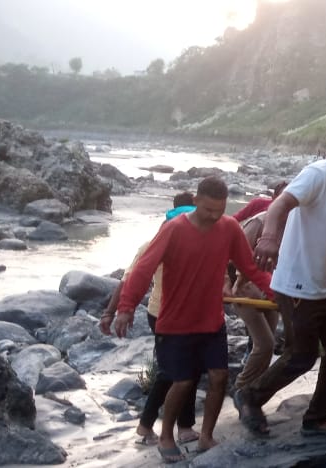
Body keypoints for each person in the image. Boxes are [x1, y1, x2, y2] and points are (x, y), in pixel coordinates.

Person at [111, 177, 274, 463]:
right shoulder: (173, 229)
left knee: (219, 377)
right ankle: (166, 436)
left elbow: (249, 267)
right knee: (182, 381)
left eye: (219, 210)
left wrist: (277, 292)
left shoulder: (229, 228)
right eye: (208, 210)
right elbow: (143, 269)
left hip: (211, 321)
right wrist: (126, 307)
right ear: (196, 201)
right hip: (175, 323)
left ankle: (206, 435)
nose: (214, 216)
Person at [235, 126, 326, 438]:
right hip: (296, 286)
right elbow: (279, 205)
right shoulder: (318, 174)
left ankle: (317, 416)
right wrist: (269, 237)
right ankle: (250, 396)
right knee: (302, 355)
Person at [100, 191, 200, 447]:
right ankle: (150, 426)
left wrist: (111, 312)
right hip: (164, 314)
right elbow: (131, 281)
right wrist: (115, 311)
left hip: (186, 314)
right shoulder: (156, 243)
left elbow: (126, 281)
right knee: (173, 372)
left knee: (188, 370)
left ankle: (183, 426)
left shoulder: (166, 239)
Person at [228, 211, 281, 391]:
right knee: (265, 344)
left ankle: (255, 390)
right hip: (245, 288)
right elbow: (238, 259)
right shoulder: (259, 223)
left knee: (269, 344)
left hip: (273, 287)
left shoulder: (297, 224)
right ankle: (241, 389)